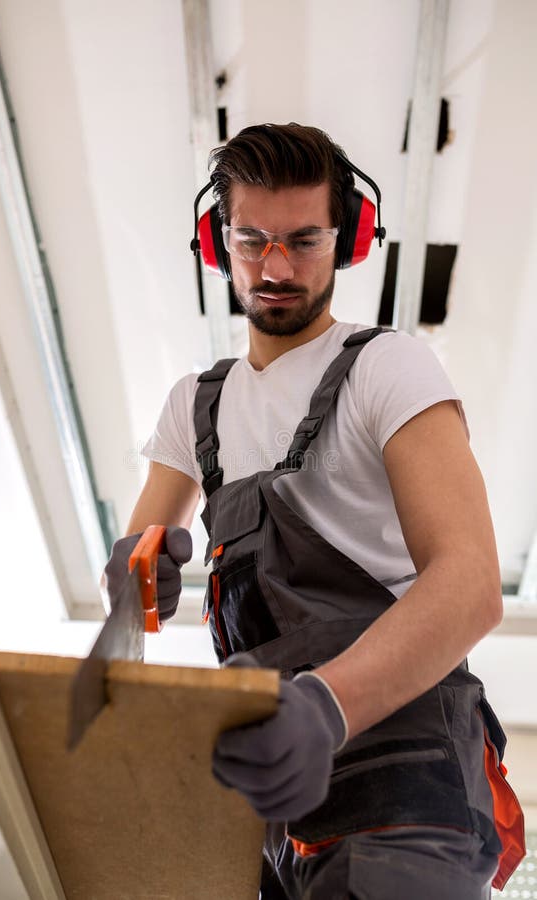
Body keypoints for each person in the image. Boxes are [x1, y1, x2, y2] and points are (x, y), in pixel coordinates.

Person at [104, 124, 524, 899]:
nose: (275, 266)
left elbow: (469, 583)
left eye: (304, 240)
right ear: (215, 240)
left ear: (350, 239)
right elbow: (134, 575)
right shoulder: (194, 405)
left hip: (403, 779)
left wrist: (329, 706)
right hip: (269, 804)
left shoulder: (385, 366)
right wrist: (139, 571)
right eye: (251, 239)